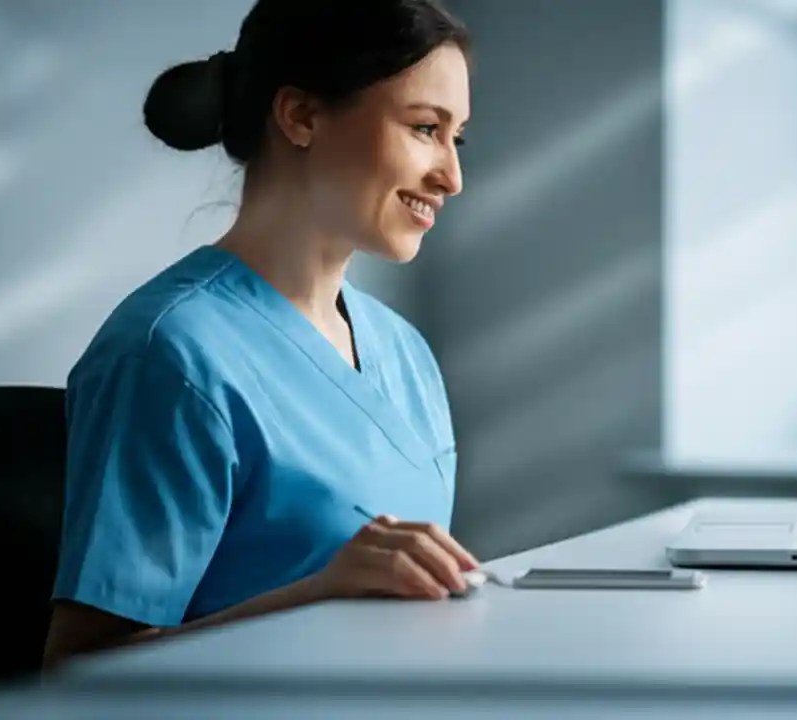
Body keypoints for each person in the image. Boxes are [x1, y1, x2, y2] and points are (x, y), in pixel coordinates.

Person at [44, 0, 477, 666]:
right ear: (301, 117)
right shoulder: (170, 354)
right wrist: (320, 595)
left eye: (458, 139)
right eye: (425, 129)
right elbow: (79, 676)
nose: (451, 176)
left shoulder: (406, 355)